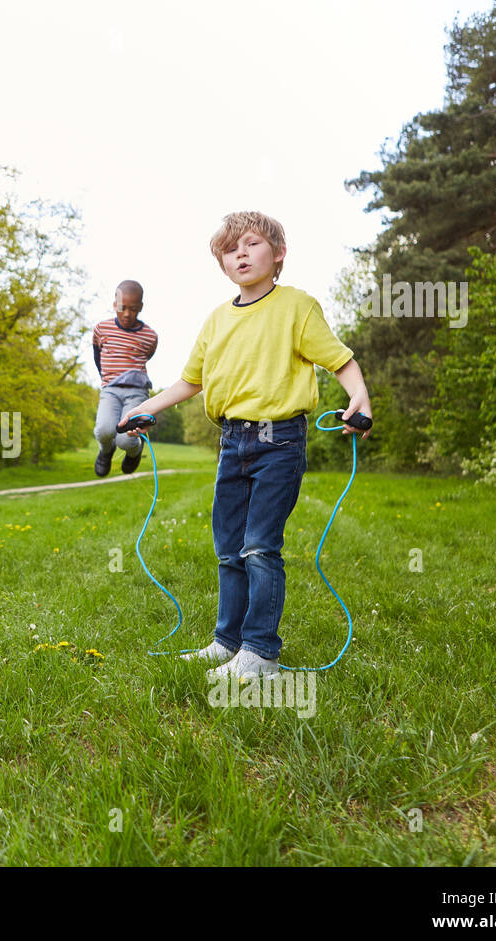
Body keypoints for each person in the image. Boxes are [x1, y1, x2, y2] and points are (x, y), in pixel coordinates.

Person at [121, 211, 373, 680]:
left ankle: (261, 652)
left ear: (277, 254)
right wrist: (144, 407)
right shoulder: (216, 320)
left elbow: (342, 361)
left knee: (260, 546)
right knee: (229, 548)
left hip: (279, 440)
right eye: (231, 248)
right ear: (221, 263)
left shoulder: (296, 305)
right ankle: (227, 641)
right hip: (231, 442)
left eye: (252, 243)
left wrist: (360, 397)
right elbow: (188, 382)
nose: (241, 252)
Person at [92, 280, 159, 476]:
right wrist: (107, 377)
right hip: (110, 389)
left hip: (136, 392)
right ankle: (106, 452)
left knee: (125, 439)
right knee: (104, 430)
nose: (128, 314)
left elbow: (147, 355)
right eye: (122, 308)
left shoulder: (149, 336)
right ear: (114, 304)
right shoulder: (102, 329)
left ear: (141, 307)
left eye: (134, 309)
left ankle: (134, 452)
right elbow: (98, 356)